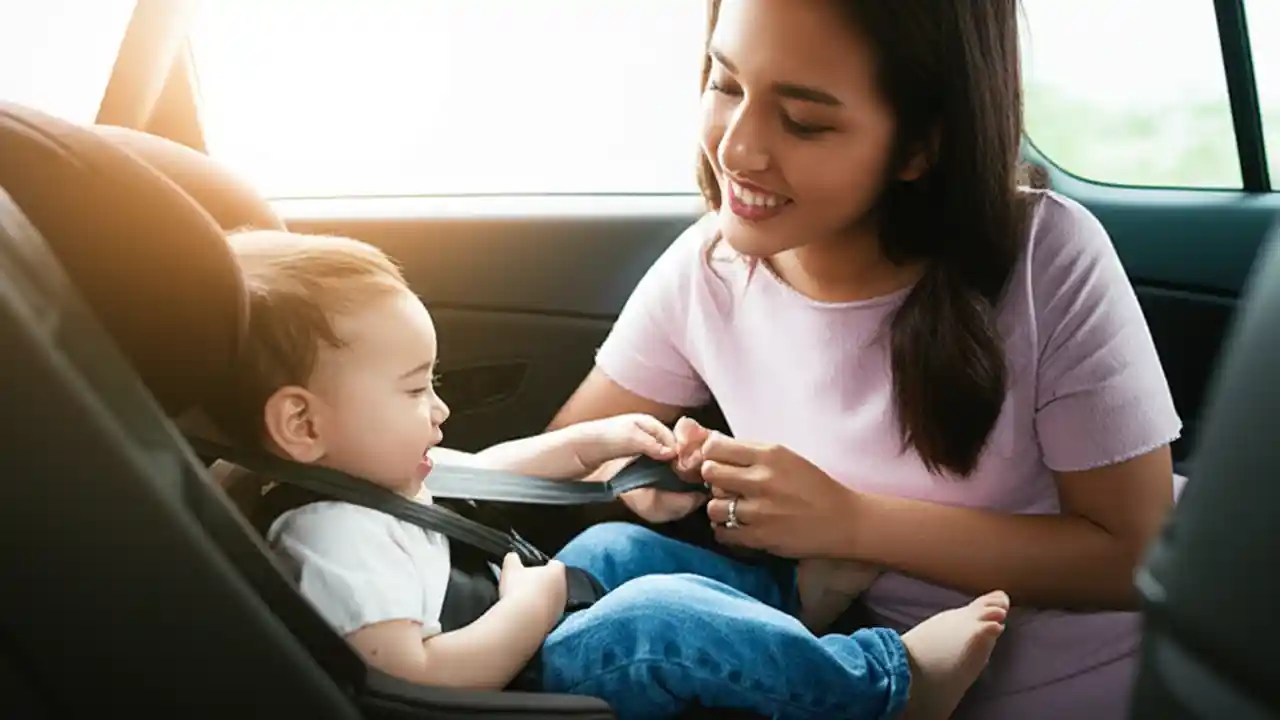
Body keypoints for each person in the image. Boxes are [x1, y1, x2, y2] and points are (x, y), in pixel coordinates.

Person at [549, 1, 1183, 718]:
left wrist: (851, 523)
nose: (736, 149)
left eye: (803, 121)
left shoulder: (1046, 257)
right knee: (603, 565)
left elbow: (1135, 554)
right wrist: (643, 473)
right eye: (726, 85)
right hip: (852, 678)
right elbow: (572, 450)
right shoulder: (709, 271)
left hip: (1102, 685)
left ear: (920, 145)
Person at [204, 228, 1013, 719]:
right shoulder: (329, 538)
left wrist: (588, 446)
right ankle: (885, 688)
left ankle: (795, 603)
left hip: (514, 631)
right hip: (512, 690)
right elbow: (412, 682)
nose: (439, 411)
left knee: (618, 553)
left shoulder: (364, 476)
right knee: (655, 614)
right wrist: (528, 610)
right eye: (416, 391)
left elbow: (478, 472)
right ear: (302, 425)